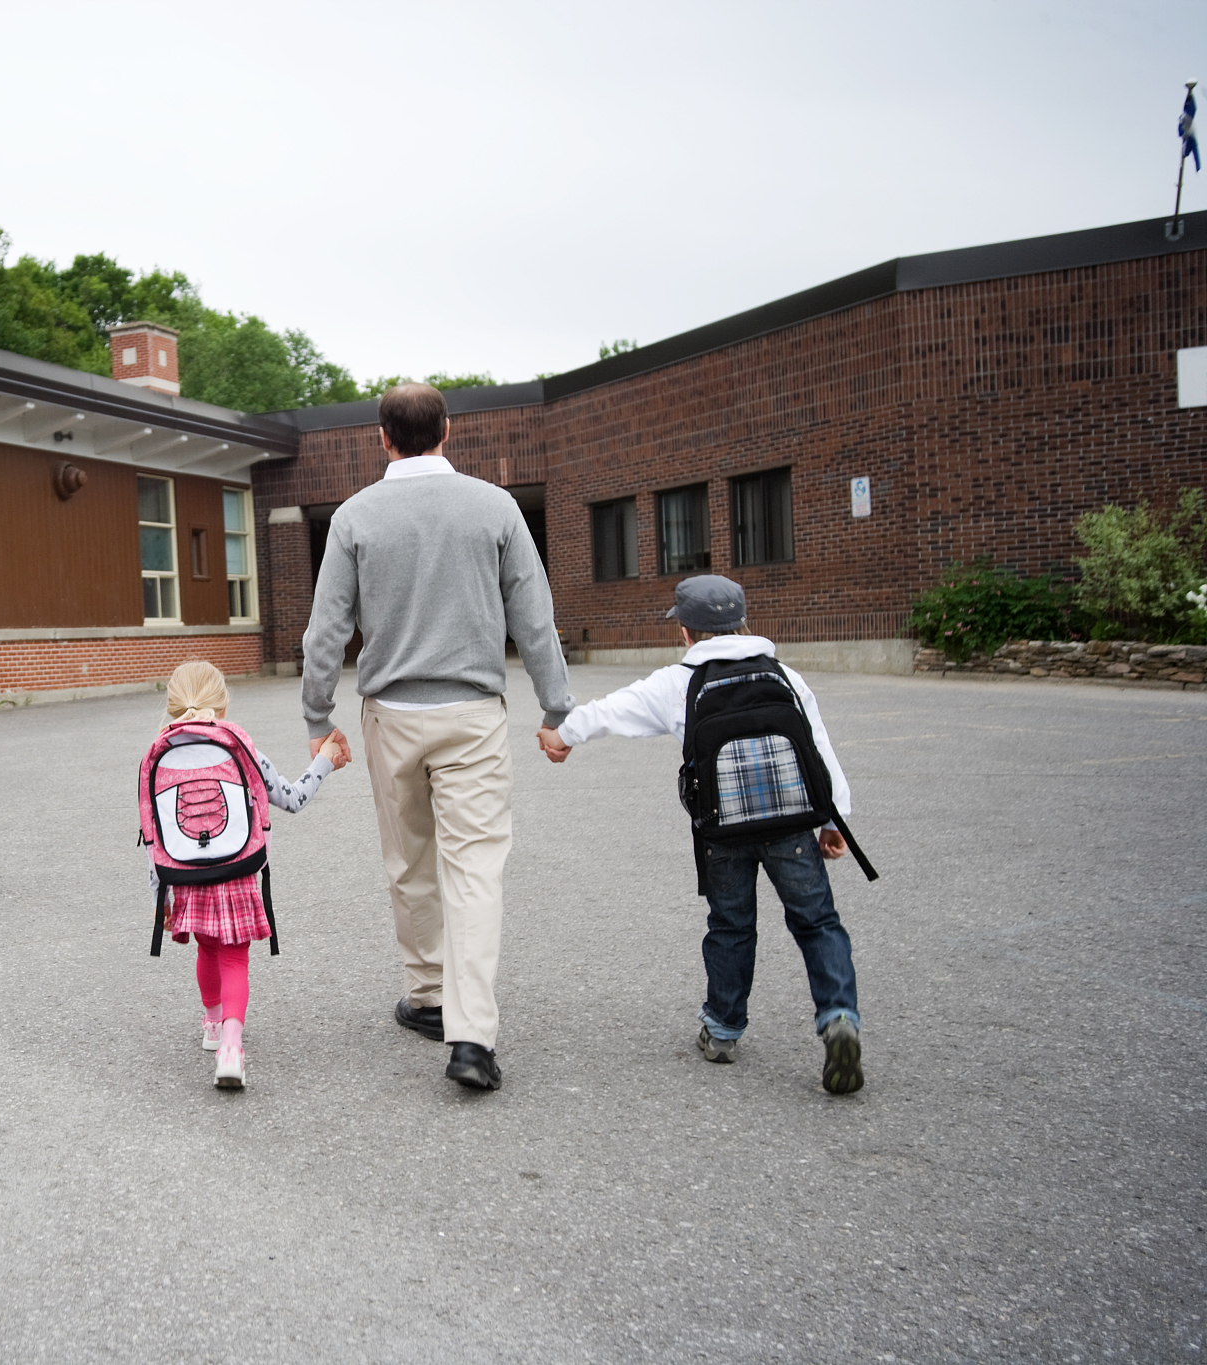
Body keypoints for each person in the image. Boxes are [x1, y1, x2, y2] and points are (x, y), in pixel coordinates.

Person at [301, 383, 573, 1092]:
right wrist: (556, 707)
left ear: (382, 437)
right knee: (474, 870)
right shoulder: (496, 507)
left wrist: (316, 716)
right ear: (446, 431)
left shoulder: (355, 517)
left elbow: (326, 628)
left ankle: (426, 995)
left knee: (408, 858)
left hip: (391, 712)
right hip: (473, 711)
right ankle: (472, 1035)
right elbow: (533, 617)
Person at [536, 575, 866, 1095]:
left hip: (723, 830)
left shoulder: (678, 682)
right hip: (793, 826)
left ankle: (723, 1029)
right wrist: (834, 820)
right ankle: (839, 1017)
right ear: (742, 623)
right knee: (818, 922)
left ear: (686, 632)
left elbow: (614, 710)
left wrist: (562, 733)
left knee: (731, 925)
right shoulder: (785, 675)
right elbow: (818, 748)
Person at [154, 660, 348, 1090]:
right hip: (238, 873)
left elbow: (154, 834)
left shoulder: (160, 753)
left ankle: (211, 1024)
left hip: (186, 878)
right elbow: (291, 799)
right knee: (234, 957)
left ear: (172, 706)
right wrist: (326, 762)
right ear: (221, 704)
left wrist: (160, 900)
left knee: (207, 952)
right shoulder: (240, 746)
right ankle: (231, 1047)